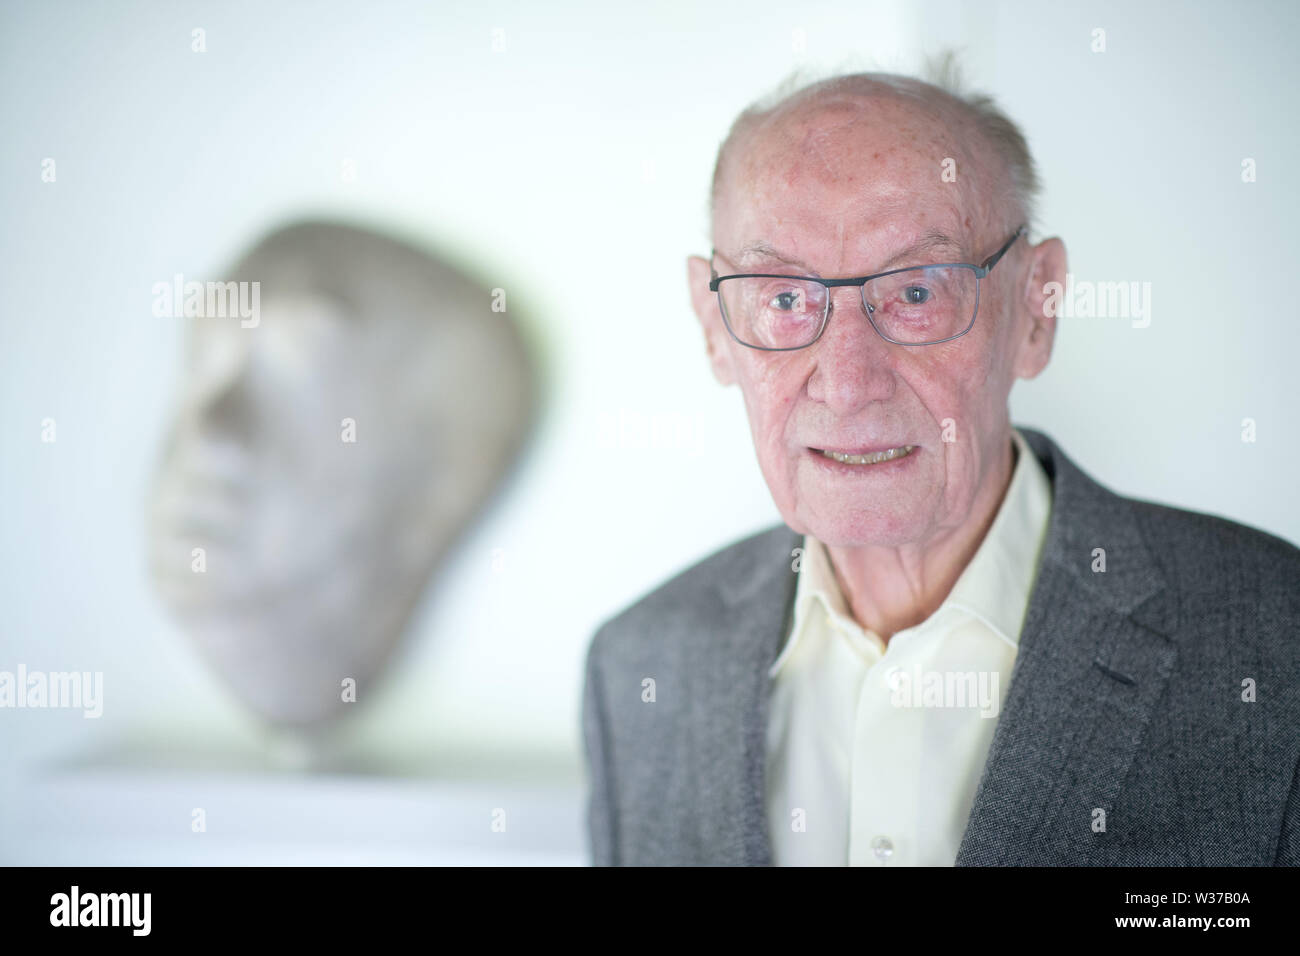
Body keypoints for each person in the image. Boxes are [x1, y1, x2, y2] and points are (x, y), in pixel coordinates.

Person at [580, 62, 1300, 866]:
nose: (849, 384)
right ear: (714, 326)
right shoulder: (638, 668)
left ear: (1037, 305)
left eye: (917, 292)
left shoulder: (1277, 641)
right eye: (784, 298)